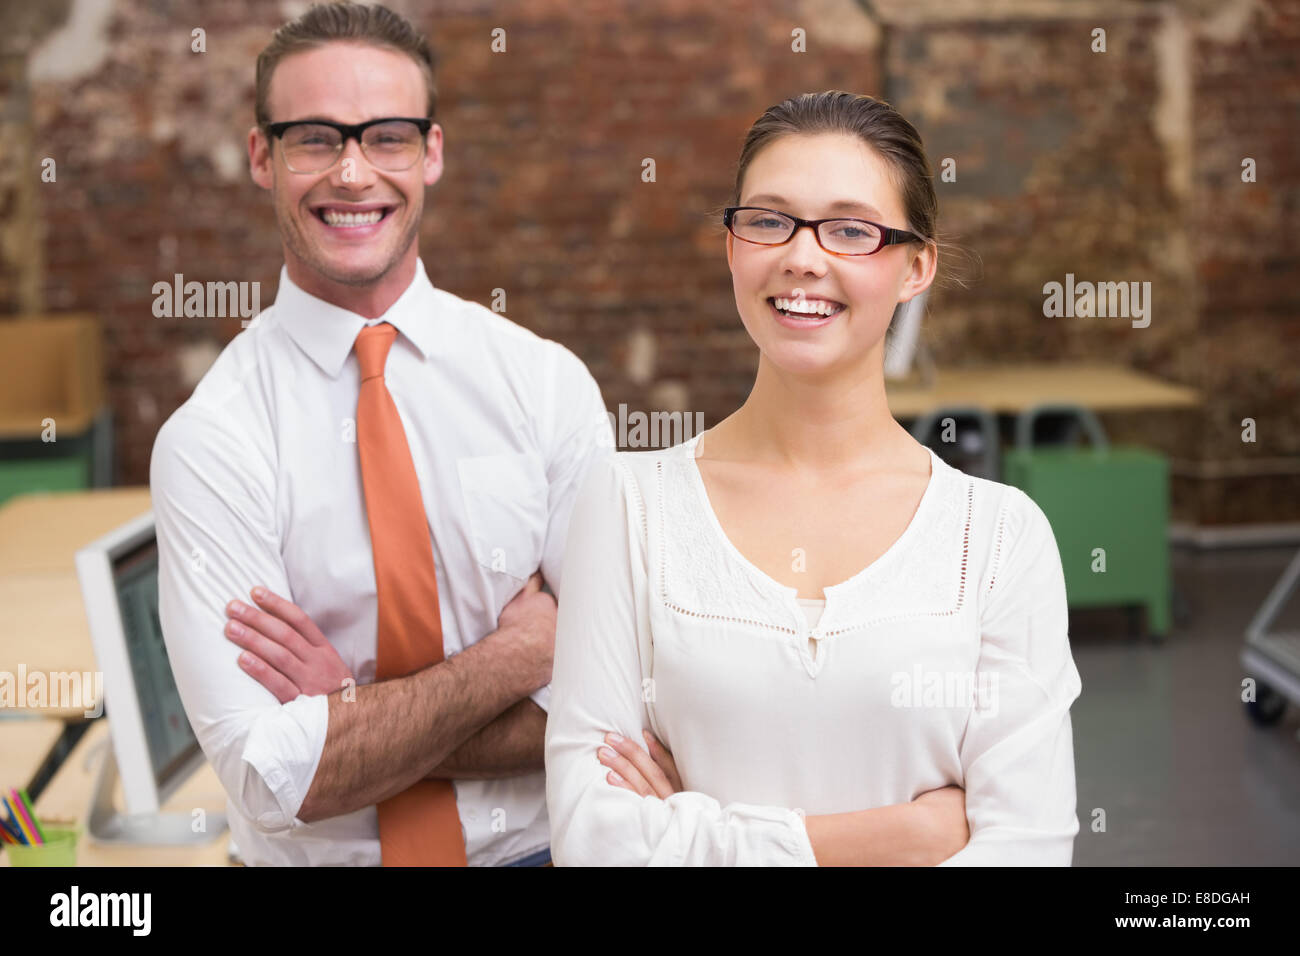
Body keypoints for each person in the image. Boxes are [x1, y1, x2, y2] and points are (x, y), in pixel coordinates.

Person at [543, 90, 1083, 866]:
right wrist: (902, 837)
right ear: (733, 246)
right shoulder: (627, 505)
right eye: (768, 220)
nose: (803, 257)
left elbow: (1025, 851)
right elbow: (596, 845)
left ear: (916, 266)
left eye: (851, 230)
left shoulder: (998, 536)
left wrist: (694, 832)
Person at [151, 2, 611, 866]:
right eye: (316, 139)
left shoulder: (544, 384)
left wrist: (353, 710)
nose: (354, 174)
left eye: (387, 137)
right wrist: (517, 659)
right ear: (264, 157)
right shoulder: (211, 441)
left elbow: (616, 702)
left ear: (431, 152)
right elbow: (270, 776)